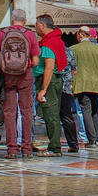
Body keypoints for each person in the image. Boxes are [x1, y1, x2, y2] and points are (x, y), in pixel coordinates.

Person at [0, 9, 41, 160]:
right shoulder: (30, 34)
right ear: (24, 21)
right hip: (25, 75)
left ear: (12, 20)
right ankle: (27, 149)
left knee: (9, 112)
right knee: (26, 112)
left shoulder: (2, 32)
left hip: (7, 76)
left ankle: (12, 149)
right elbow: (36, 60)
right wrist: (26, 64)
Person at [71, 26, 98, 147]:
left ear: (80, 35)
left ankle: (92, 139)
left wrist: (71, 84)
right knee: (95, 111)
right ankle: (97, 138)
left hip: (81, 84)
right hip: (96, 84)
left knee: (86, 111)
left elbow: (71, 69)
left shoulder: (73, 49)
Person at [33, 15, 64, 156]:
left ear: (42, 25)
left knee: (51, 114)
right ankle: (54, 145)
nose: (35, 28)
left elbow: (49, 67)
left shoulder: (49, 42)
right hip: (54, 80)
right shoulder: (56, 39)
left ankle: (54, 148)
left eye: (36, 24)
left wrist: (43, 89)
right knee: (52, 114)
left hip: (49, 82)